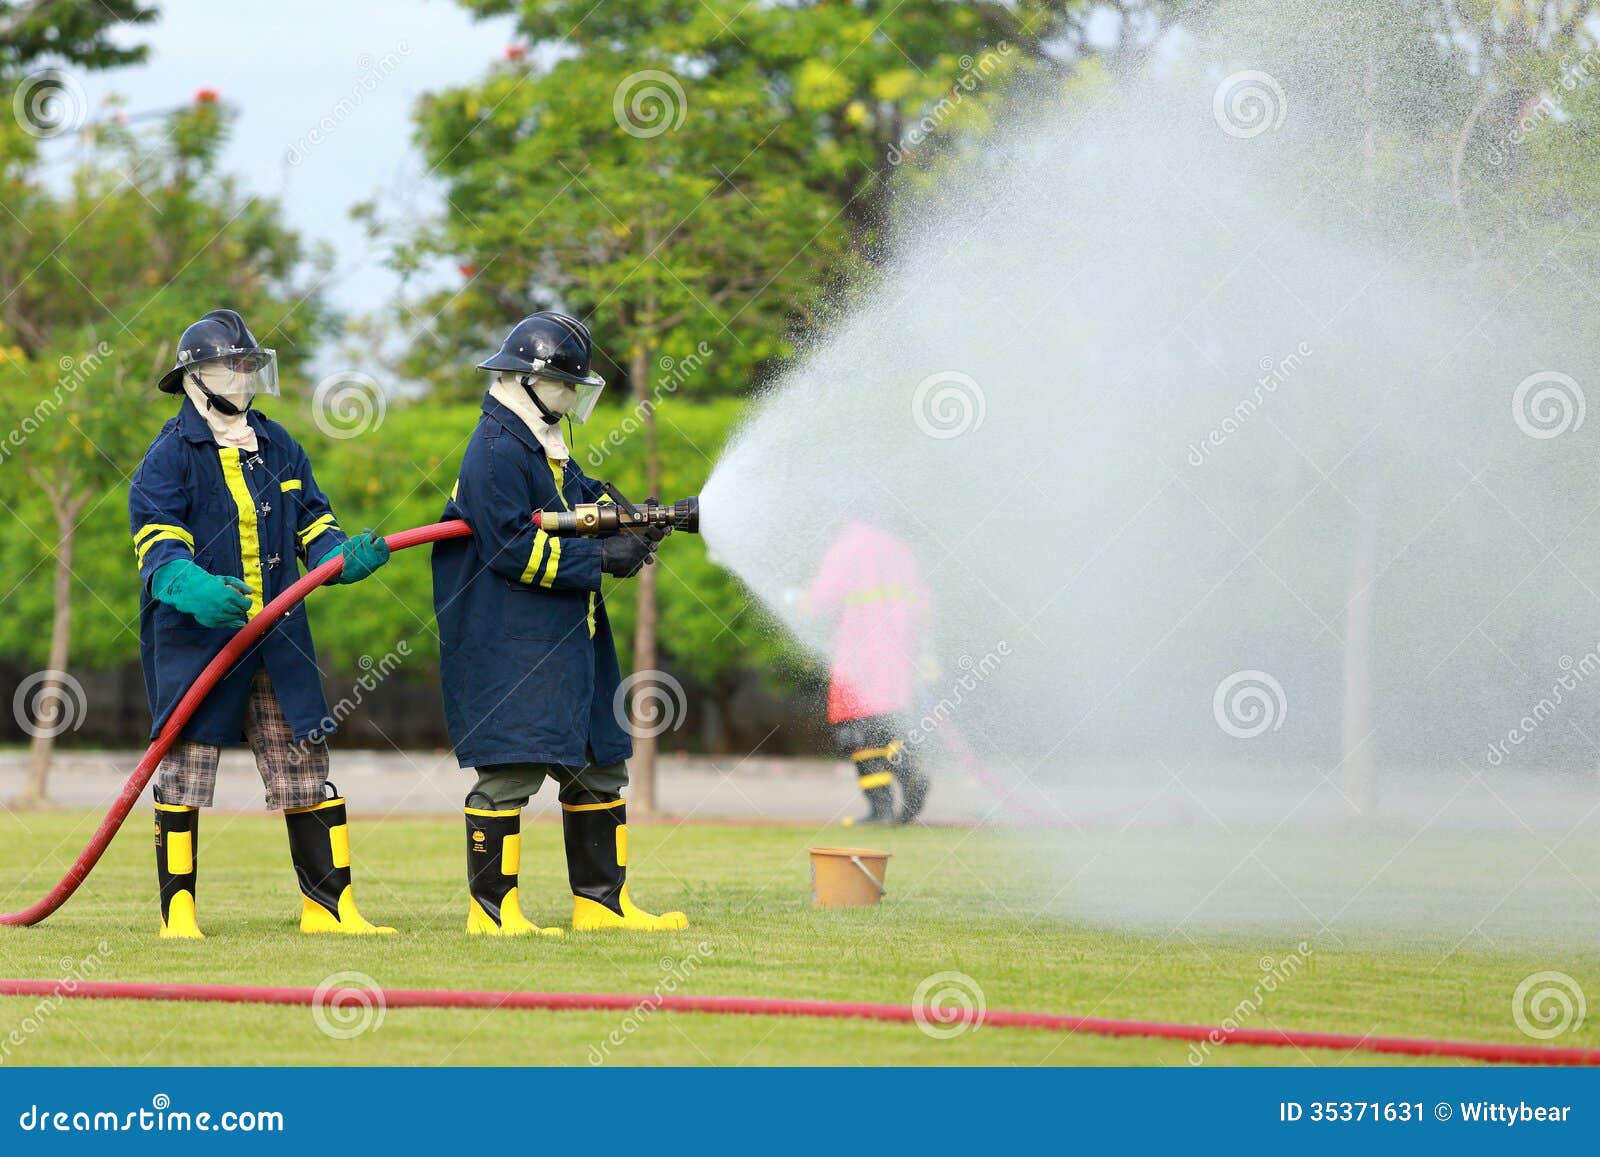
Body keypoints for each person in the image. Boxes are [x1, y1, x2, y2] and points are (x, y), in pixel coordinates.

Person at [130, 309, 394, 939]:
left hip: (280, 640)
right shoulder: (167, 457)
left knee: (304, 763)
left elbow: (314, 525)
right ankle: (180, 916)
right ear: (195, 377)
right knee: (185, 769)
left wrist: (339, 556)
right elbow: (158, 551)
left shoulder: (280, 445)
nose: (245, 376)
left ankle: (330, 910)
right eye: (232, 365)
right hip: (199, 645)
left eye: (250, 364)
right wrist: (192, 588)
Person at [432, 311, 686, 936]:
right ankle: (493, 912)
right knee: (511, 768)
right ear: (528, 381)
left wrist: (621, 514)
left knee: (599, 762)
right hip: (511, 641)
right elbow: (511, 546)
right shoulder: (494, 449)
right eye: (566, 385)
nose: (572, 398)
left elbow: (573, 497)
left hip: (569, 635)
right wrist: (601, 556)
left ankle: (601, 905)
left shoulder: (535, 440)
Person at [804, 518, 933, 825]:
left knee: (856, 733)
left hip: (857, 656)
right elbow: (924, 606)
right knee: (884, 724)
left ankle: (883, 807)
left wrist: (798, 601)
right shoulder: (897, 549)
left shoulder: (846, 548)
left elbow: (821, 601)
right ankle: (907, 775)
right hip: (899, 655)